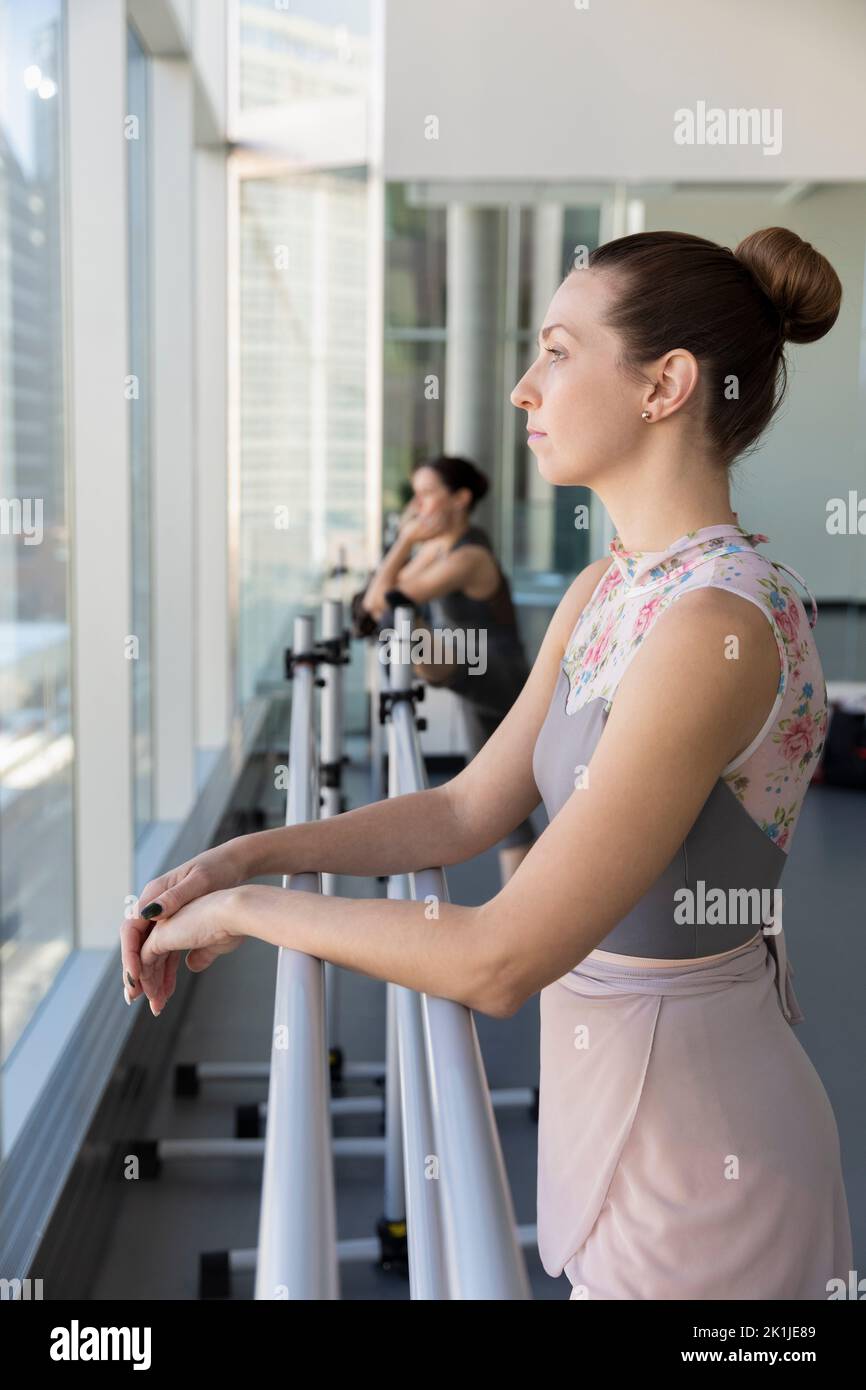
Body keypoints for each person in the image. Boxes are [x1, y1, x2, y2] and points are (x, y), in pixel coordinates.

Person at [122, 225, 853, 1300]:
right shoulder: (608, 588)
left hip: (701, 1167)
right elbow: (467, 806)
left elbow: (498, 959)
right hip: (615, 1117)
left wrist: (251, 912)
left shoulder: (714, 622)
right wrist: (242, 856)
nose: (523, 387)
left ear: (665, 385)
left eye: (556, 351)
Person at [360, 454, 536, 885]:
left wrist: (403, 544)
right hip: (466, 672)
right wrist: (408, 545)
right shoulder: (436, 548)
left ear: (460, 498)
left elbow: (384, 600)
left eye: (426, 495)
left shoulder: (470, 555)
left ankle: (419, 655)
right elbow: (372, 602)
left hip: (495, 673)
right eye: (415, 497)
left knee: (404, 622)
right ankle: (518, 909)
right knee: (502, 807)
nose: (418, 507)